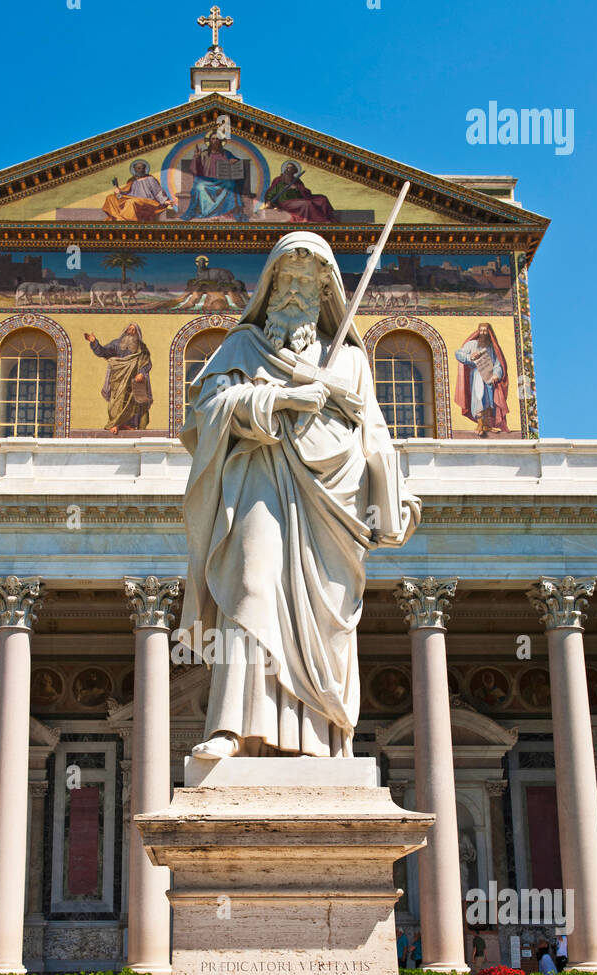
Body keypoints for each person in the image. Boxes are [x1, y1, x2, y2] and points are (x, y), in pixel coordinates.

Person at [177, 231, 421, 760]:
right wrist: (284, 397)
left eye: (307, 282)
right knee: (250, 585)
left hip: (332, 505)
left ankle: (323, 740)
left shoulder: (350, 362)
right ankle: (231, 729)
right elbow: (207, 412)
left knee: (325, 619)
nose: (295, 291)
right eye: (287, 279)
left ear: (324, 292)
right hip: (259, 479)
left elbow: (373, 432)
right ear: (270, 286)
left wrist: (392, 497)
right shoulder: (242, 348)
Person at [84, 323, 152, 433]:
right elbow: (103, 352)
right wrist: (94, 342)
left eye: (134, 330)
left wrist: (142, 373)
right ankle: (115, 424)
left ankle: (129, 425)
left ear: (137, 333)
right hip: (118, 378)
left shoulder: (141, 347)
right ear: (125, 331)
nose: (131, 332)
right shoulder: (116, 344)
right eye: (129, 329)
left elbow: (146, 362)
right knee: (116, 401)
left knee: (134, 402)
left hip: (134, 379)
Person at [454, 322, 509, 438]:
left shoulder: (492, 348)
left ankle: (487, 425)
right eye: (481, 330)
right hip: (478, 375)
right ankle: (480, 424)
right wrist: (470, 357)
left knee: (489, 401)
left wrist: (496, 375)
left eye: (485, 331)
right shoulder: (472, 344)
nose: (483, 333)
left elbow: (498, 363)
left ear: (489, 332)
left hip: (489, 377)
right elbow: (458, 353)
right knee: (479, 398)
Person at [182, 135, 246, 220]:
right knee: (199, 187)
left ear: (220, 141)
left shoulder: (226, 153)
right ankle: (209, 213)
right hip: (207, 180)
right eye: (213, 139)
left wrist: (234, 161)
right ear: (210, 141)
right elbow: (195, 170)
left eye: (217, 139)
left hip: (222, 180)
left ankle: (226, 212)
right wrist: (197, 157)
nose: (215, 141)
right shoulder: (204, 154)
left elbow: (236, 162)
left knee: (231, 185)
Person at [264, 161, 340, 224]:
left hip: (298, 200)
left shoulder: (296, 181)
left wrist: (296, 188)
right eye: (287, 168)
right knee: (307, 203)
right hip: (285, 203)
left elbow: (305, 192)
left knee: (322, 199)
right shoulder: (279, 180)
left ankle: (328, 217)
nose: (288, 170)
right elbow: (270, 193)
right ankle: (316, 220)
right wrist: (268, 201)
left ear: (294, 171)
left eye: (290, 168)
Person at [102, 160, 174, 222]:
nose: (140, 170)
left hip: (148, 202)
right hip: (133, 199)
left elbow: (158, 192)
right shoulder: (132, 180)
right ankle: (118, 217)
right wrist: (119, 192)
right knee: (110, 197)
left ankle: (126, 221)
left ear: (145, 169)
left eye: (142, 168)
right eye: (138, 168)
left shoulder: (150, 179)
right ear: (134, 169)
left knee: (131, 202)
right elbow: (126, 193)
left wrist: (165, 201)